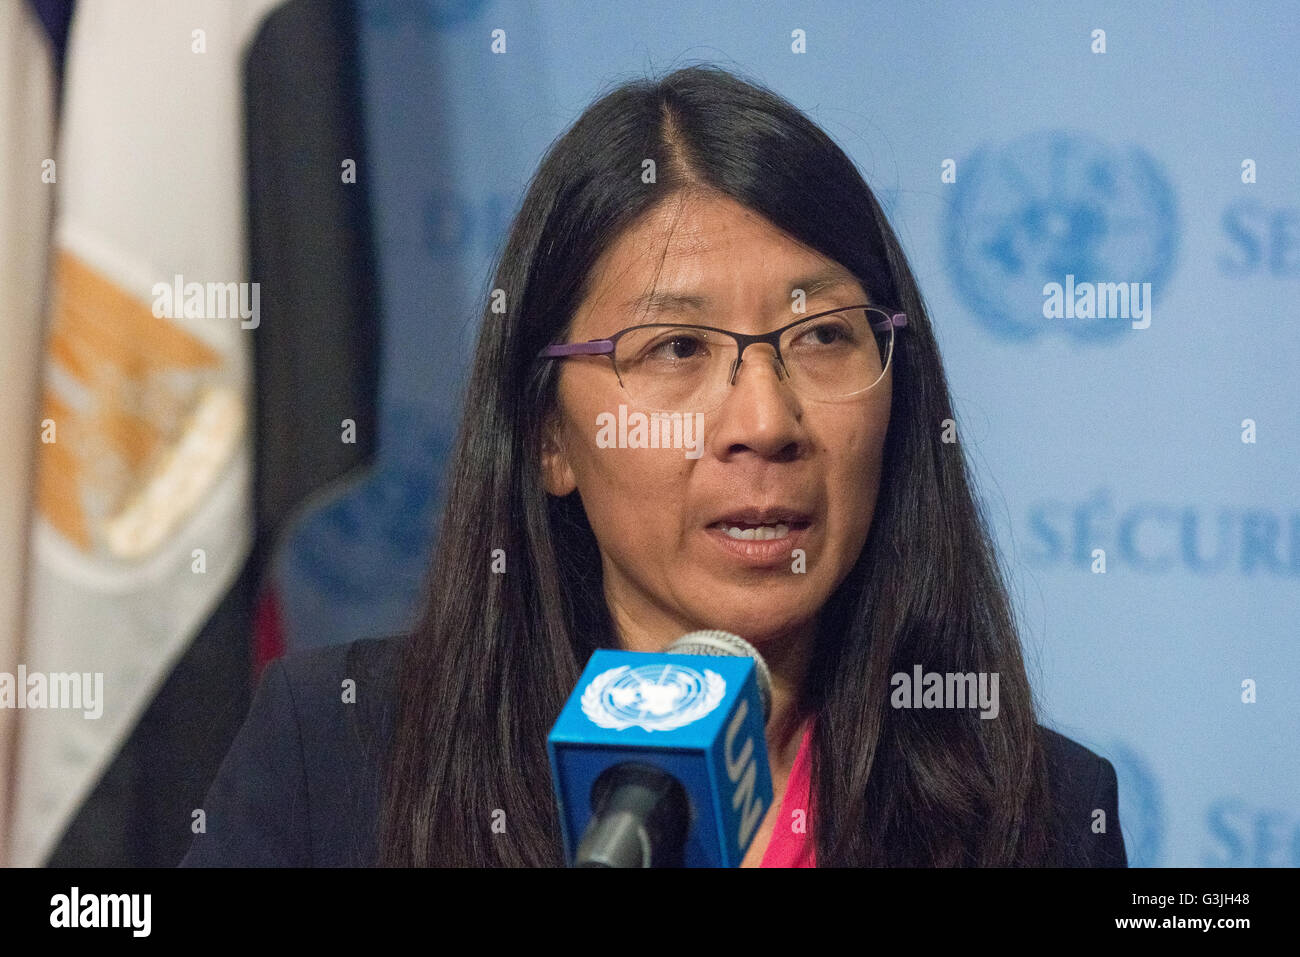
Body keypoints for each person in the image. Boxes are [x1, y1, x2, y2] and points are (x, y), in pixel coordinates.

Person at [181, 64, 1126, 868]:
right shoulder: (335, 753)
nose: (764, 421)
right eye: (676, 347)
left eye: (825, 334)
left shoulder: (1040, 813)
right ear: (549, 434)